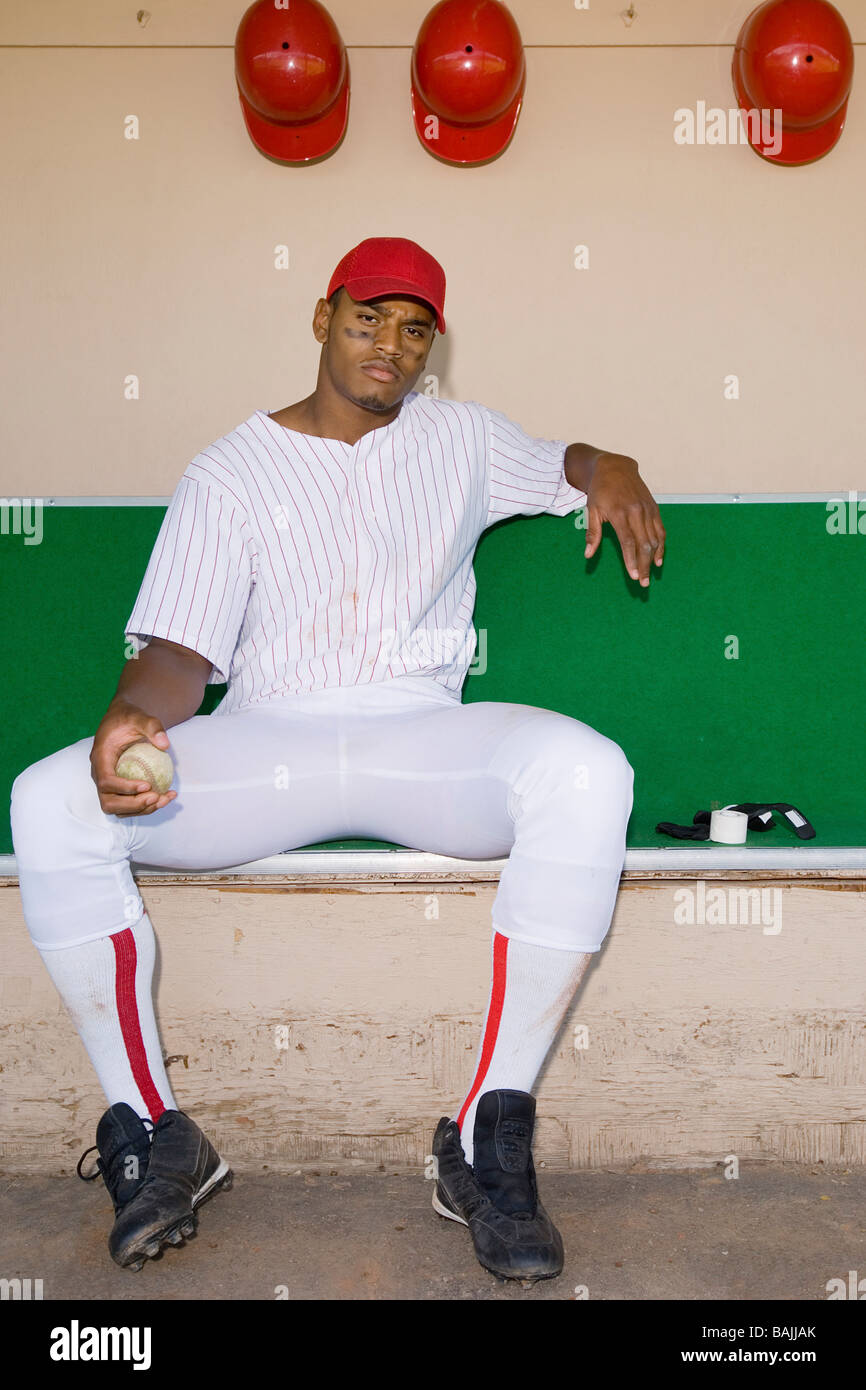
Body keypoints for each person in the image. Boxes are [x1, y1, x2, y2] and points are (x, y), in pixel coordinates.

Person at [10, 236, 665, 1284]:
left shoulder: (461, 439)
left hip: (420, 736)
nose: (391, 346)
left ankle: (485, 1137)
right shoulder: (229, 468)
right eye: (369, 318)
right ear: (322, 317)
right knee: (48, 799)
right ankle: (151, 1128)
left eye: (415, 331)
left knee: (586, 770)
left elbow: (562, 463)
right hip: (269, 738)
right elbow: (181, 650)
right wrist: (133, 715)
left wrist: (607, 464)